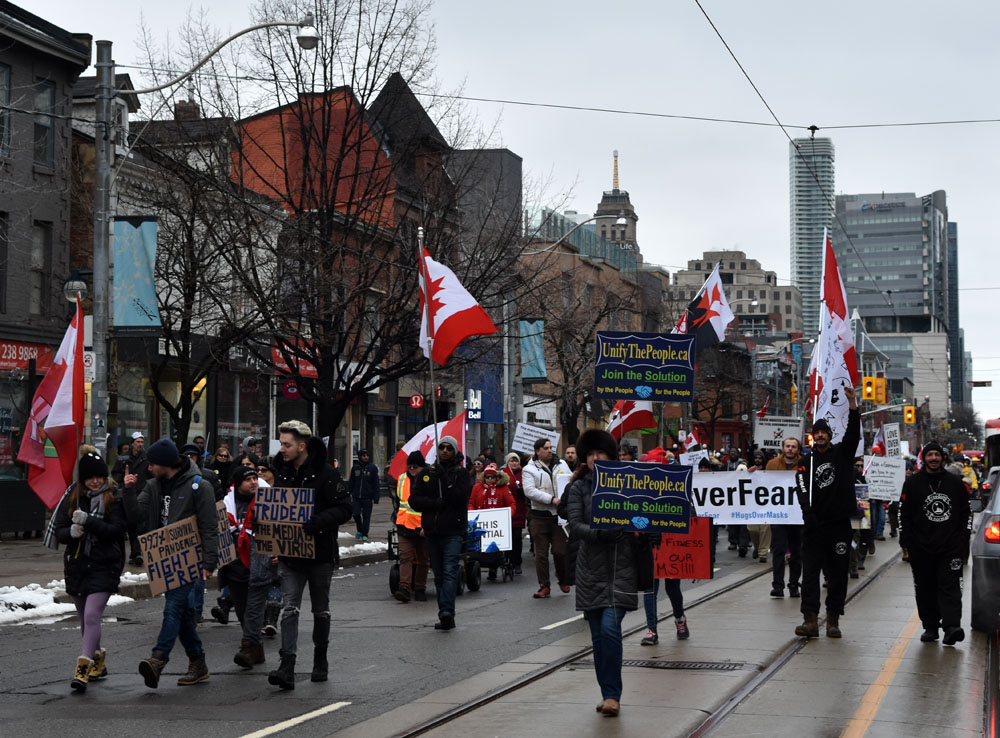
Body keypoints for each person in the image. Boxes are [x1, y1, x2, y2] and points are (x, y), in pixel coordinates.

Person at [566, 428, 651, 718]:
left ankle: (613, 695)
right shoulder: (578, 488)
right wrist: (599, 534)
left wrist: (644, 531)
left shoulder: (630, 484)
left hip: (622, 566)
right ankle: (607, 693)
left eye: (600, 452)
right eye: (589, 454)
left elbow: (645, 518)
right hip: (590, 569)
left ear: (611, 455)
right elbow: (574, 524)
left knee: (610, 628)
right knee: (598, 638)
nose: (595, 458)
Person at [267, 420, 352, 689]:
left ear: (302, 446)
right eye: (281, 443)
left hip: (319, 554)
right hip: (291, 556)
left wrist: (318, 521)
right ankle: (287, 665)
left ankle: (320, 658)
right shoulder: (281, 473)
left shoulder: (326, 474)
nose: (282, 449)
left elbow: (345, 508)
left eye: (287, 444)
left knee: (320, 610)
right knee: (289, 609)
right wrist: (272, 539)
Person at [134, 438, 219, 688]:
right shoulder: (153, 486)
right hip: (162, 560)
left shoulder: (199, 486)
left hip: (188, 560)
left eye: (152, 464)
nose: (149, 468)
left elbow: (209, 525)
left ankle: (158, 658)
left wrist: (209, 561)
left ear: (164, 464)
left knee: (173, 607)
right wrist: (128, 491)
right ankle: (198, 661)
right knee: (181, 613)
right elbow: (136, 515)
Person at [50, 449, 126, 692]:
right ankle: (98, 660)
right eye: (90, 477)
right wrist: (71, 532)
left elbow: (116, 530)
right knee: (85, 619)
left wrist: (88, 521)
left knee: (93, 615)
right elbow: (60, 529)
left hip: (105, 565)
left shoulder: (113, 498)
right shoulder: (73, 497)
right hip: (77, 565)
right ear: (82, 480)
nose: (96, 481)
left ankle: (82, 668)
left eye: (99, 477)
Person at [795, 384, 860, 639]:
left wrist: (852, 405)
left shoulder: (842, 455)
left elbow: (853, 433)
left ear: (829, 435)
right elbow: (801, 489)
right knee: (809, 575)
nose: (820, 436)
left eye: (823, 432)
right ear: (812, 436)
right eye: (816, 433)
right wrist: (807, 514)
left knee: (837, 575)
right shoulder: (805, 462)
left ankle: (833, 619)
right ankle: (810, 619)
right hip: (814, 527)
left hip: (839, 525)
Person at [900, 441, 972, 645]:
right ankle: (930, 627)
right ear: (924, 458)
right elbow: (903, 513)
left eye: (937, 455)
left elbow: (966, 513)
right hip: (921, 547)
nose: (933, 458)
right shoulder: (912, 483)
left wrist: (963, 537)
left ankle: (951, 627)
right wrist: (907, 540)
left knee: (950, 587)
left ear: (943, 458)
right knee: (925, 588)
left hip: (950, 547)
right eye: (929, 455)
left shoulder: (955, 483)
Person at [409, 435, 472, 630]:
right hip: (432, 531)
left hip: (452, 531)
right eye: (442, 447)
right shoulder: (428, 472)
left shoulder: (461, 474)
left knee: (449, 571)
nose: (444, 450)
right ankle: (446, 614)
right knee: (438, 575)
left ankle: (446, 611)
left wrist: (444, 479)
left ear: (454, 451)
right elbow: (415, 500)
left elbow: (460, 498)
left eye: (449, 448)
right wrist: (433, 504)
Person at [522, 437, 572, 598]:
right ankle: (544, 585)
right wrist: (551, 499)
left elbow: (570, 482)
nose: (550, 451)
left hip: (559, 517)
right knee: (541, 554)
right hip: (539, 516)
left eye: (551, 448)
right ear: (538, 451)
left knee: (560, 552)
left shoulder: (562, 464)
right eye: (546, 448)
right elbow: (530, 491)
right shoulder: (529, 469)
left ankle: (562, 576)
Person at [767, 438, 804, 598]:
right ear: (783, 448)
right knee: (779, 551)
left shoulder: (805, 464)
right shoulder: (772, 464)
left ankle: (794, 585)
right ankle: (778, 586)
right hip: (779, 514)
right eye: (787, 446)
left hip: (798, 516)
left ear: (798, 449)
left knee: (797, 552)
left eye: (793, 447)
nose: (790, 449)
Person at [393, 450, 430, 603]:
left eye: (415, 466)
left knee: (423, 560)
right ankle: (405, 589)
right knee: (405, 558)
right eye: (410, 466)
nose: (412, 468)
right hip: (404, 525)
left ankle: (420, 588)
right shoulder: (402, 479)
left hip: (423, 527)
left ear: (422, 467)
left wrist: (427, 525)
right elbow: (399, 502)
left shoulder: (429, 480)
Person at [469, 463, 516, 581]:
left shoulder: (503, 488)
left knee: (495, 545)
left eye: (492, 477)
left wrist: (507, 515)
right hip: (481, 522)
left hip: (497, 522)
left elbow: (511, 504)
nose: (490, 479)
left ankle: (494, 567)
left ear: (496, 478)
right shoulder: (477, 488)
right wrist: (472, 515)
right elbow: (471, 503)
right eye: (487, 477)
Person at [112, 431, 148, 565]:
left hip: (142, 494)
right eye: (138, 442)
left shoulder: (147, 457)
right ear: (132, 443)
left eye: (142, 442)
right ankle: (133, 553)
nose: (140, 444)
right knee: (130, 525)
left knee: (141, 525)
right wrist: (124, 480)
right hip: (127, 496)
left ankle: (137, 553)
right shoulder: (123, 458)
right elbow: (115, 473)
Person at [502, 452, 527, 575]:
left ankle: (517, 562)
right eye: (512, 460)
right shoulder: (502, 473)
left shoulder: (524, 473)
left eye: (516, 460)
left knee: (517, 537)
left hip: (519, 509)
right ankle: (507, 560)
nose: (514, 463)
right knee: (506, 538)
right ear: (507, 462)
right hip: (505, 509)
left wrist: (523, 491)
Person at [349, 448, 381, 541]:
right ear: (360, 457)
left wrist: (376, 497)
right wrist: (348, 492)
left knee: (366, 516)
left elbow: (376, 483)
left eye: (367, 455)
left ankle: (365, 533)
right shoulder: (355, 467)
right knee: (355, 513)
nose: (366, 457)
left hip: (367, 496)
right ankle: (360, 529)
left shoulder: (372, 468)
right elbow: (352, 481)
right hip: (356, 496)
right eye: (363, 456)